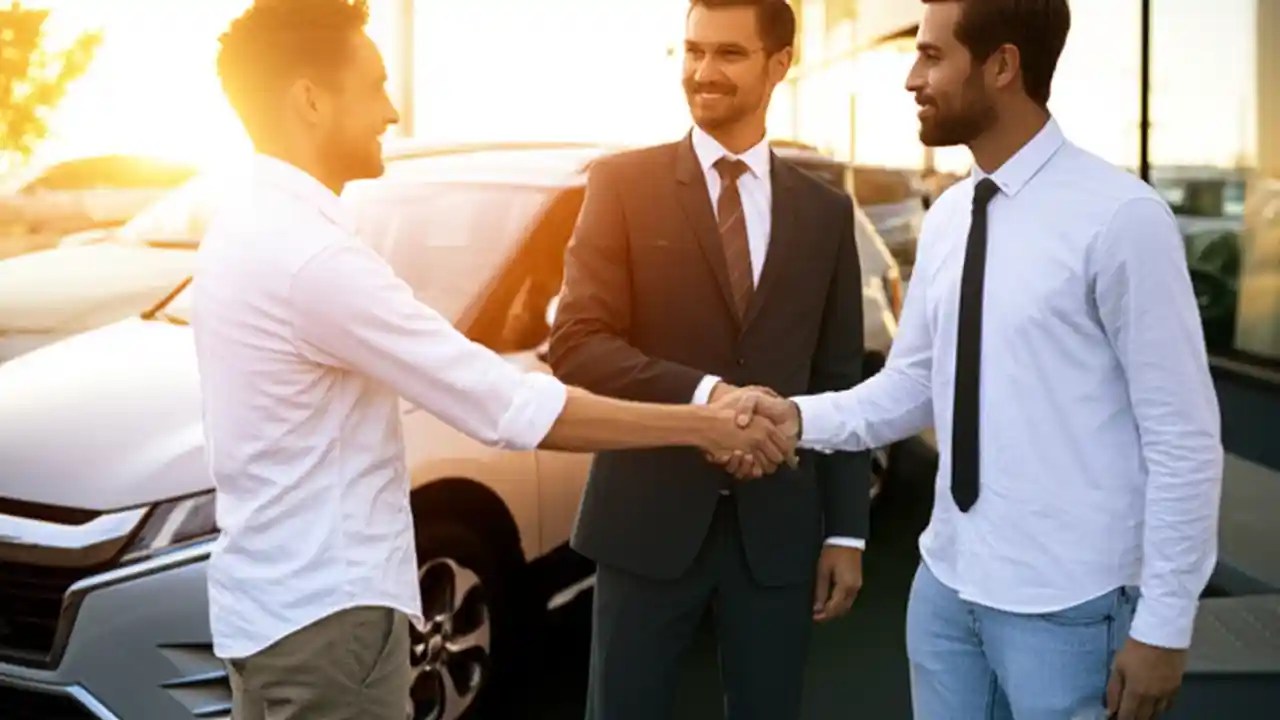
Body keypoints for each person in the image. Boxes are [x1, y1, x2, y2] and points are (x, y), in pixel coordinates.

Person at [195, 2, 796, 718]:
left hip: (261, 612)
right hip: (330, 623)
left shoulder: (242, 226)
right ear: (311, 100)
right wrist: (706, 423)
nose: (391, 110)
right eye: (376, 85)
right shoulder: (315, 259)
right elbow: (507, 406)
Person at [731, 1, 1224, 719]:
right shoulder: (952, 217)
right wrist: (791, 416)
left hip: (1068, 608)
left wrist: (1166, 626)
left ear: (1002, 66)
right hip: (945, 588)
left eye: (933, 56)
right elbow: (915, 385)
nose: (911, 78)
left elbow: (1184, 438)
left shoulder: (1121, 219)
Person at [546, 1, 869, 717]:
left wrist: (846, 530)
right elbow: (577, 343)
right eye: (693, 51)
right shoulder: (622, 185)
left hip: (779, 530)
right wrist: (709, 399)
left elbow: (838, 376)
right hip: (645, 521)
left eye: (728, 54)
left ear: (780, 64)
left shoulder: (824, 213)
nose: (703, 71)